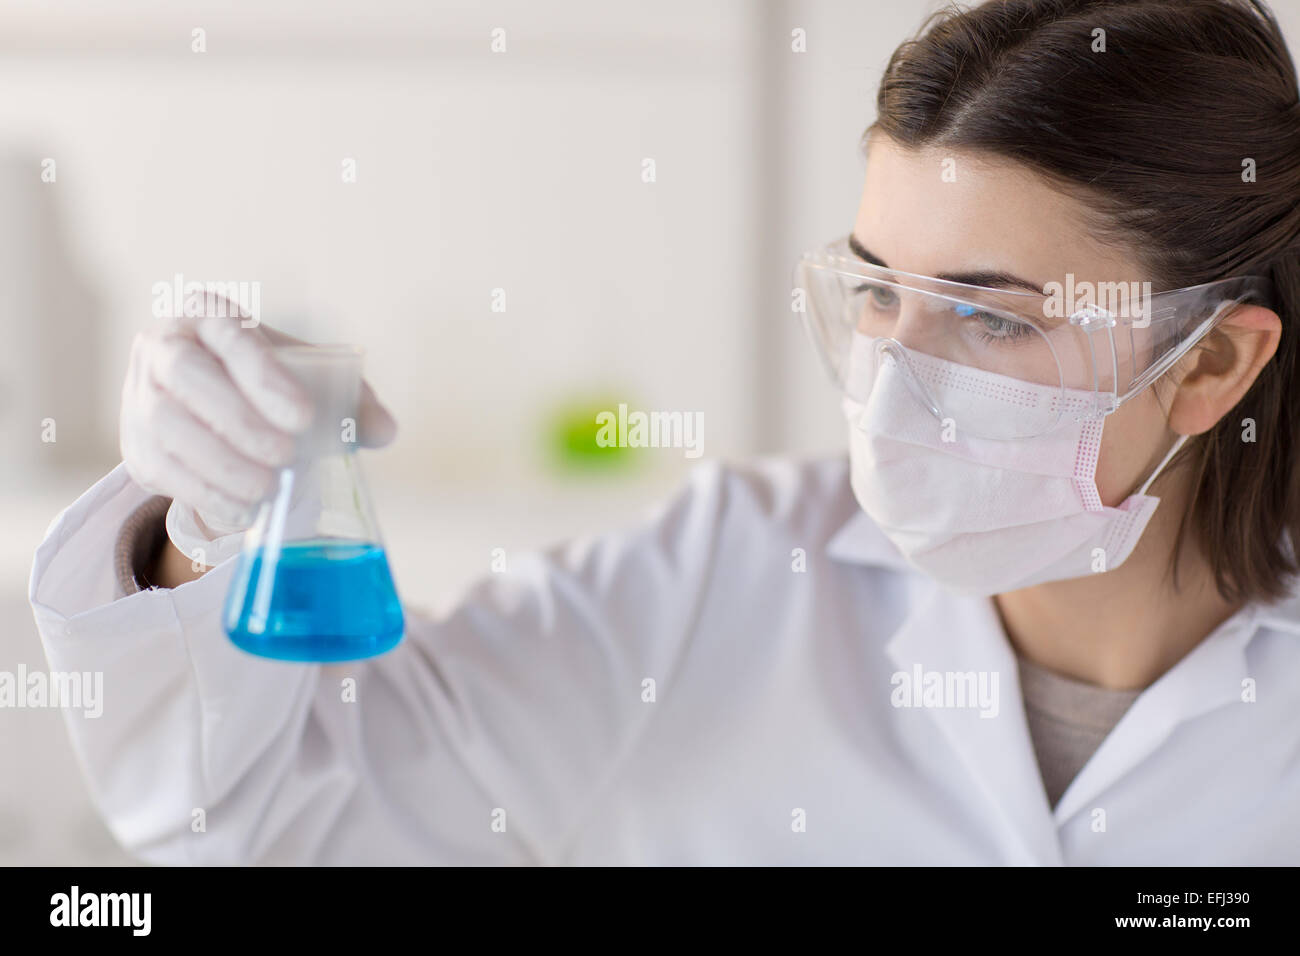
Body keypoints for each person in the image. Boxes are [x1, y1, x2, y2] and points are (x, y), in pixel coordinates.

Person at [28, 0, 1300, 864]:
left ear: (1212, 365)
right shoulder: (727, 575)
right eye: (874, 293)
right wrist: (195, 532)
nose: (894, 383)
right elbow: (260, 823)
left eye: (992, 322)